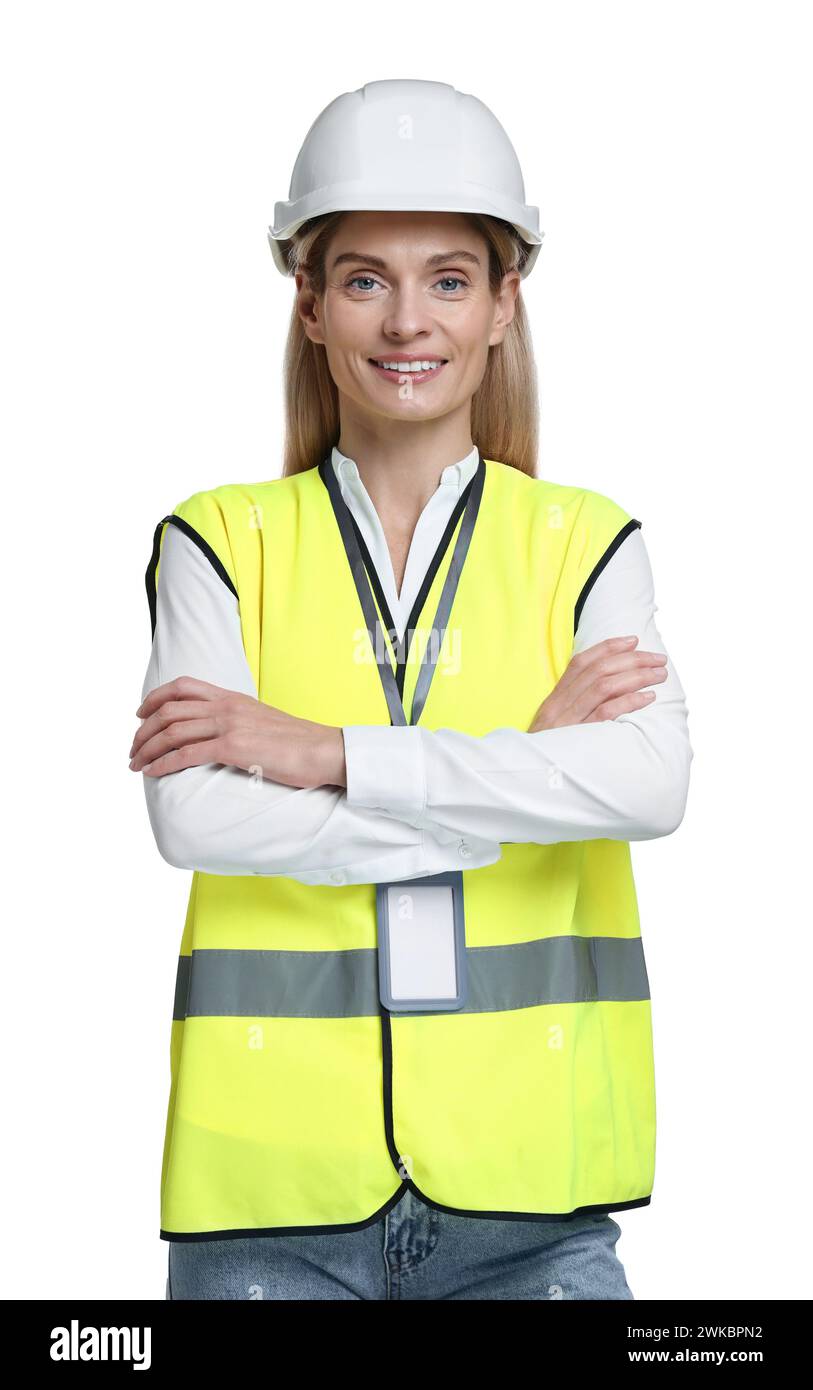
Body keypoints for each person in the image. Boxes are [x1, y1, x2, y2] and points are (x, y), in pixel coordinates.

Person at [130, 78, 692, 1301]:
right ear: (312, 304)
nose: (406, 322)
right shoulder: (218, 542)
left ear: (503, 306)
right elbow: (196, 817)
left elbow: (648, 788)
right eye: (365, 279)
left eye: (448, 278)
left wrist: (321, 751)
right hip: (265, 1195)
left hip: (533, 1192)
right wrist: (525, 774)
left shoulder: (588, 543)